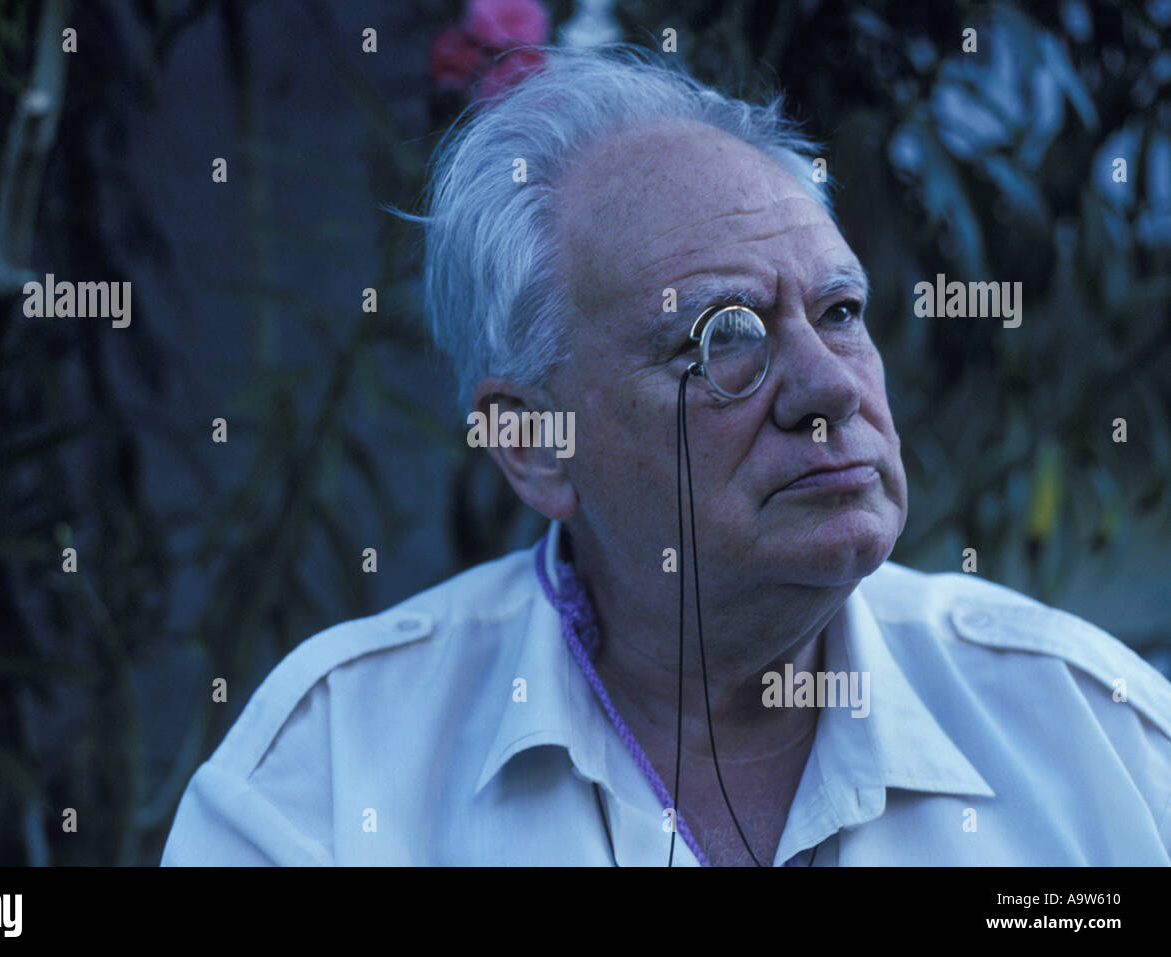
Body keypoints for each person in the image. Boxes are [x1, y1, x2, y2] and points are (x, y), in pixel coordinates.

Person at [162, 45, 1171, 866]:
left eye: (840, 312)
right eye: (722, 337)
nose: (828, 389)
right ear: (533, 442)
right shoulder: (337, 771)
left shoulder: (1093, 731)